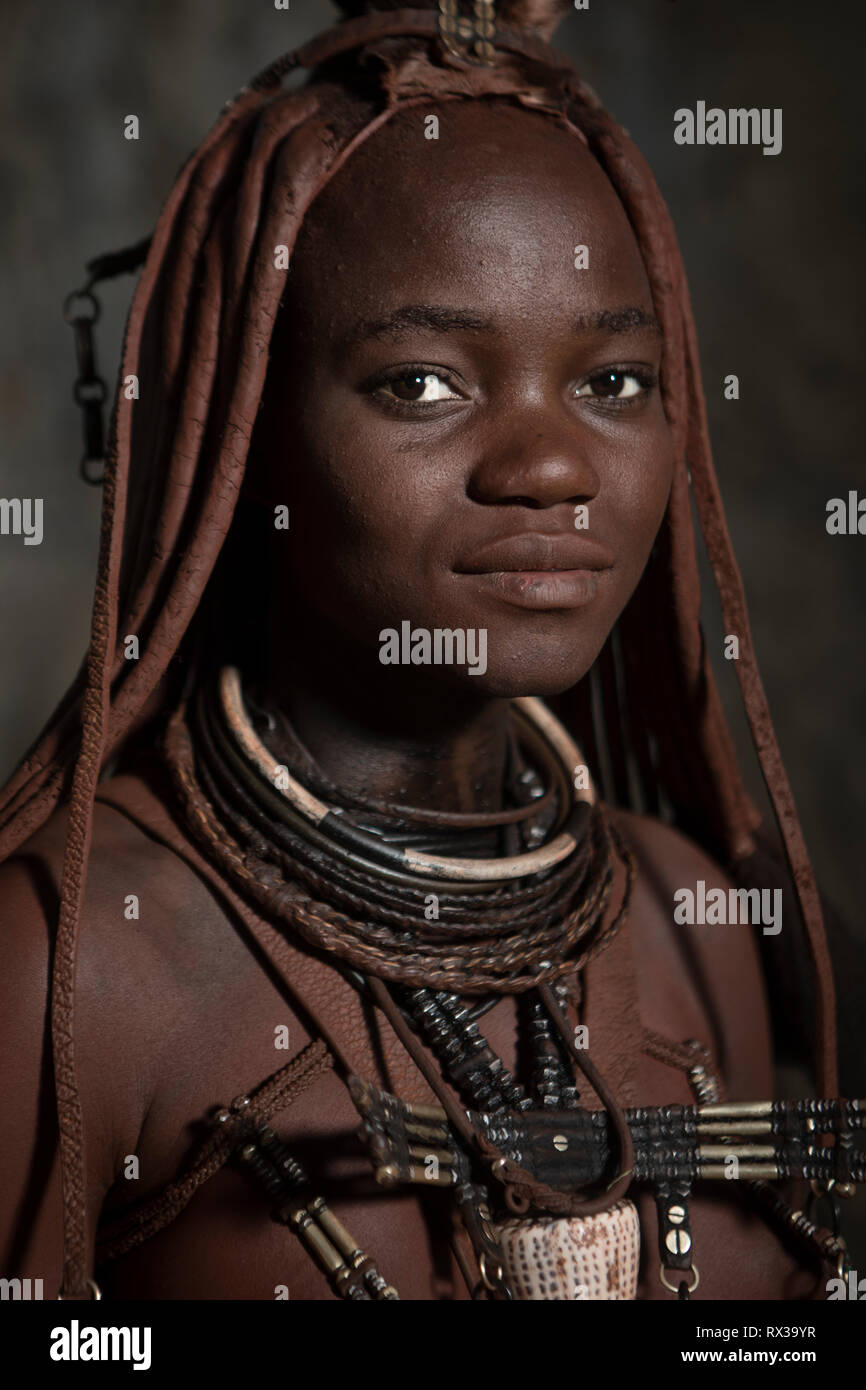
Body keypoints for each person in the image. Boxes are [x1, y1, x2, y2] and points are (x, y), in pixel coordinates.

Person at [0, 0, 858, 1302]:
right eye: (420, 384)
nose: (550, 465)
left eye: (613, 381)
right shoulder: (72, 960)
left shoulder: (696, 914)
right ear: (247, 437)